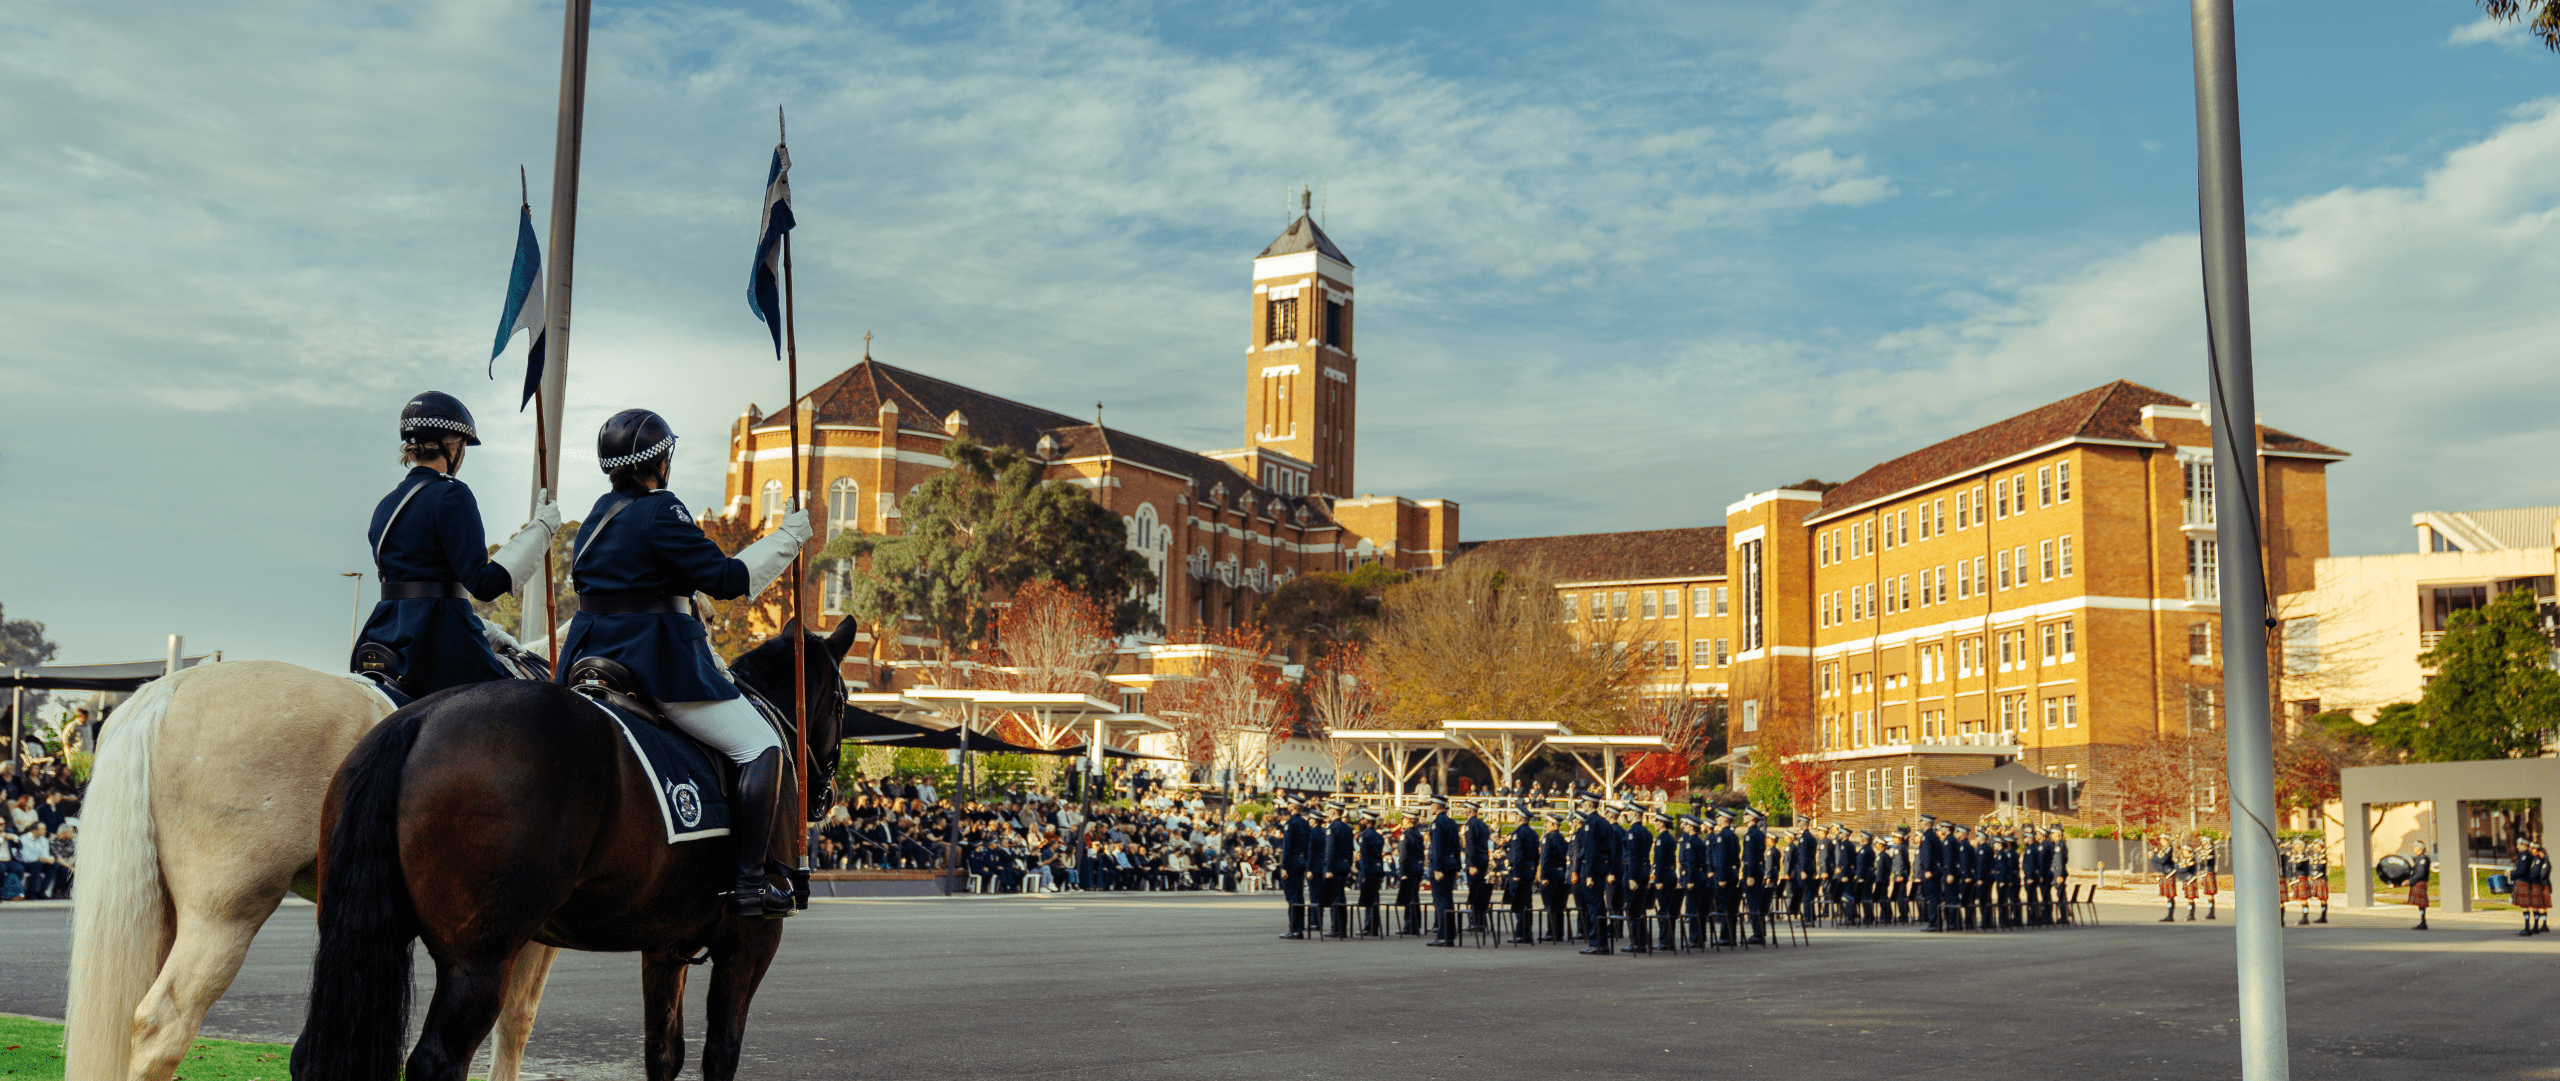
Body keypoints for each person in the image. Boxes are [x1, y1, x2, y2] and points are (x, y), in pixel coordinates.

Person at [554, 408, 808, 918]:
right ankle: (749, 883)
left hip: (589, 659)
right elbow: (728, 580)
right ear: (661, 462)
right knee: (760, 745)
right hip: (655, 664)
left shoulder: (594, 521)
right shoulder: (660, 511)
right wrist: (788, 539)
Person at [356, 391, 560, 699]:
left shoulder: (386, 504)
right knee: (531, 706)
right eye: (462, 446)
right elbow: (483, 583)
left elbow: (417, 584)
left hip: (381, 636)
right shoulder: (452, 495)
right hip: (437, 646)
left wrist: (480, 626)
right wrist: (541, 531)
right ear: (452, 445)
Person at [1571, 791, 1616, 955]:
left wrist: (1588, 874)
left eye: (1584, 802)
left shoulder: (1591, 822)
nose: (1582, 805)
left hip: (1591, 869)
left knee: (1593, 907)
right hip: (1600, 868)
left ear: (1589, 804)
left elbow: (1590, 849)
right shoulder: (1604, 822)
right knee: (1598, 906)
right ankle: (1600, 942)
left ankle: (1596, 942)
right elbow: (1611, 850)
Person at [1425, 794, 1463, 946]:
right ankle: (1450, 934)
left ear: (1437, 806)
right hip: (1452, 863)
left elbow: (1438, 848)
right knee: (1448, 900)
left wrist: (1437, 868)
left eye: (1432, 804)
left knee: (1441, 901)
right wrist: (1459, 866)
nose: (1430, 807)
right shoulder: (1452, 823)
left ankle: (1443, 935)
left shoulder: (1437, 823)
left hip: (1442, 865)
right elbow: (1457, 846)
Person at [1504, 803, 1541, 944]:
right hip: (1530, 871)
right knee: (1528, 903)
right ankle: (1527, 933)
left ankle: (1521, 933)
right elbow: (1537, 855)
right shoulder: (1533, 833)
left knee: (1519, 904)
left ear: (1519, 818)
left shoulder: (1518, 833)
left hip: (1520, 872)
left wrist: (1516, 872)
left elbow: (1517, 856)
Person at [1277, 796, 1313, 938]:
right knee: (1299, 896)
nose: (1287, 805)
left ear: (1294, 807)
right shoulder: (1304, 823)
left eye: (1289, 803)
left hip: (1291, 862)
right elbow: (1308, 846)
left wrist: (1284, 866)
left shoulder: (1290, 823)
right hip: (1301, 860)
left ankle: (1294, 929)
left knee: (1292, 897)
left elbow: (1287, 847)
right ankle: (1299, 928)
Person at [1394, 808, 1427, 936]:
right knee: (1415, 896)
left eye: (1403, 819)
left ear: (1408, 820)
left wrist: (1402, 873)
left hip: (1409, 869)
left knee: (1410, 897)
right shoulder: (1418, 834)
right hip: (1418, 867)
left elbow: (1403, 857)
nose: (1401, 822)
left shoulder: (1405, 835)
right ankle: (1416, 924)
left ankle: (1409, 925)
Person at [1354, 808, 1386, 935]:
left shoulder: (1364, 836)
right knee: (1375, 898)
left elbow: (1365, 857)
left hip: (1368, 870)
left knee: (1368, 900)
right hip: (1377, 869)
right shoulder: (1379, 836)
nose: (1360, 821)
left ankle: (1369, 927)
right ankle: (1374, 926)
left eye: (1362, 819)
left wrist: (1364, 874)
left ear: (1367, 820)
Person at [2407, 842, 2434, 930]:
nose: (2413, 849)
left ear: (2420, 849)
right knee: (2420, 904)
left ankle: (2423, 922)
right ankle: (2422, 921)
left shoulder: (2423, 859)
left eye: (2415, 847)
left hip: (2420, 882)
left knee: (2422, 904)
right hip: (2418, 882)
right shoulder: (2419, 859)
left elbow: (2420, 873)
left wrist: (2410, 881)